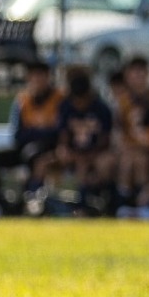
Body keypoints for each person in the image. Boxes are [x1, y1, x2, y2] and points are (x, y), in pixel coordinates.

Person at [0, 60, 62, 216]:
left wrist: (35, 133)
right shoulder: (23, 100)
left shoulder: (59, 99)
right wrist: (39, 132)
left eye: (40, 76)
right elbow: (18, 134)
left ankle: (31, 201)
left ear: (48, 77)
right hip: (24, 148)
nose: (37, 80)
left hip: (48, 151)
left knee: (35, 154)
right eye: (33, 76)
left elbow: (58, 132)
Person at [36, 65, 115, 216]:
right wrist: (64, 150)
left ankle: (83, 205)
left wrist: (88, 155)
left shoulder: (101, 108)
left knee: (84, 166)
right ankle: (35, 200)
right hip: (72, 153)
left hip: (94, 154)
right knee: (42, 163)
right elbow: (63, 136)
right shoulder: (65, 106)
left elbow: (105, 140)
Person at [111, 56, 149, 207]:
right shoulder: (123, 102)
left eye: (141, 72)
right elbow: (118, 131)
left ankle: (144, 205)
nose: (137, 77)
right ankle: (124, 203)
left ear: (147, 74)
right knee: (127, 160)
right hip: (131, 149)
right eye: (133, 73)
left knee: (140, 161)